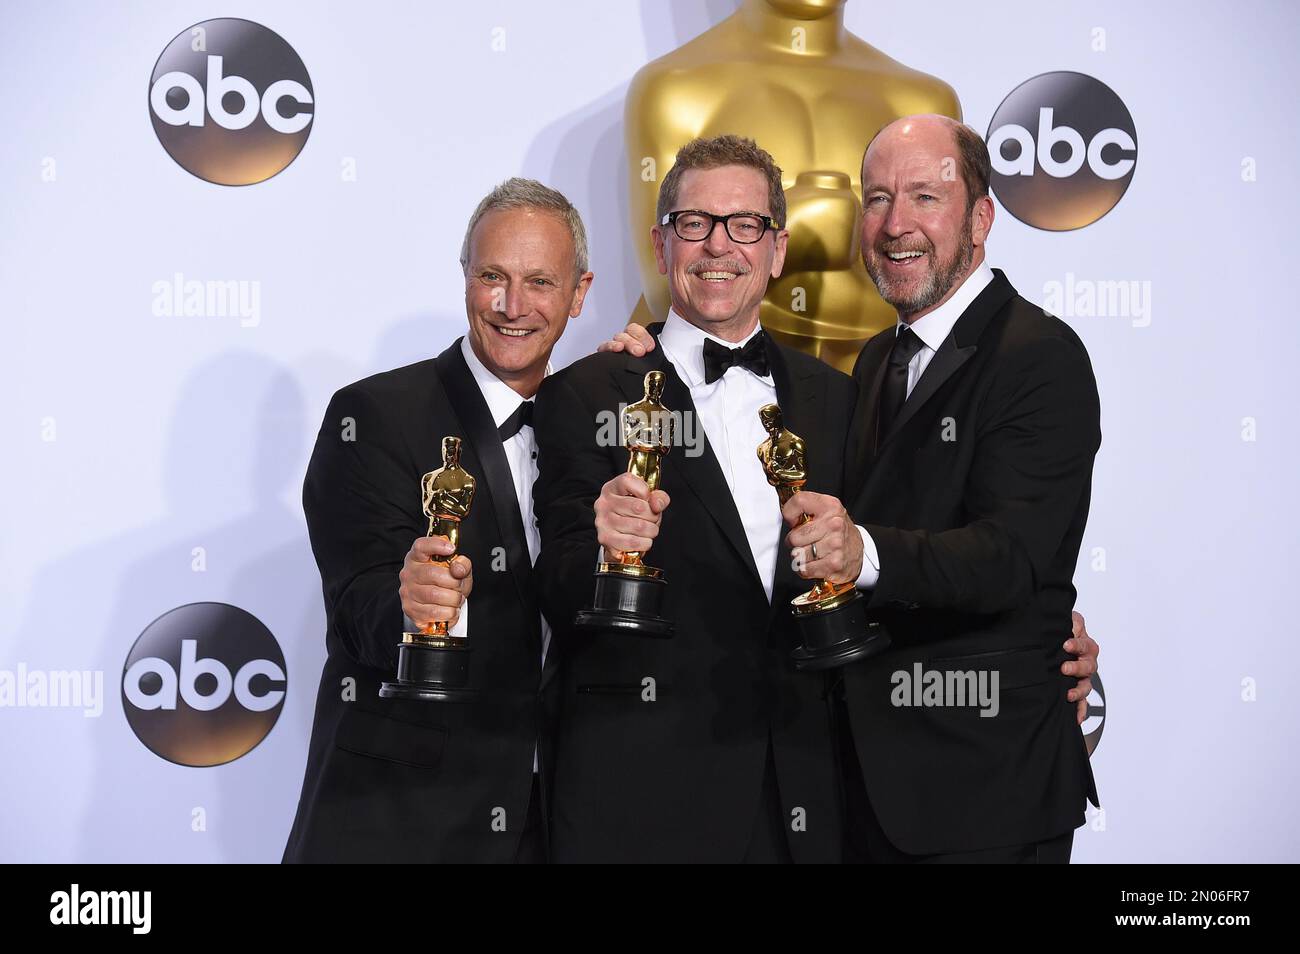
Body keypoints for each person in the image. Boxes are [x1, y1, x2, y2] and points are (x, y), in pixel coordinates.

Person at [534, 134, 1098, 862]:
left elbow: (963, 546)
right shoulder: (589, 392)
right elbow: (555, 582)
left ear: (778, 250)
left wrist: (1049, 633)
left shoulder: (835, 395)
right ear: (661, 241)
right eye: (694, 222)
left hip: (811, 793)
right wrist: (604, 552)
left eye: (746, 225)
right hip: (644, 797)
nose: (718, 246)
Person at [282, 178, 592, 863]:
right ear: (465, 279)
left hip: (555, 821)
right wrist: (407, 603)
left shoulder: (598, 419)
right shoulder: (374, 416)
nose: (514, 306)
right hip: (402, 822)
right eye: (492, 277)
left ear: (579, 293)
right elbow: (357, 600)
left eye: (541, 281)